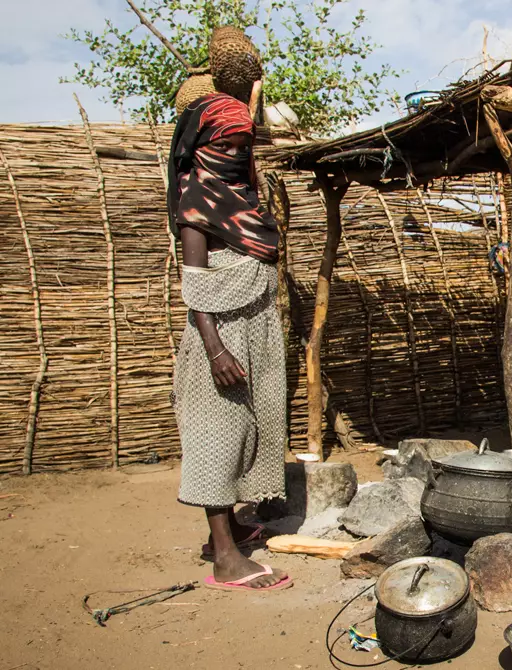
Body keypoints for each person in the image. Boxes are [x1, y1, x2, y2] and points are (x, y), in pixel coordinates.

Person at [168, 90, 291, 592]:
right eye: (227, 144)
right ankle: (224, 557)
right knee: (217, 434)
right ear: (202, 144)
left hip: (256, 327)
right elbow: (194, 283)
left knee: (251, 428)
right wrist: (216, 348)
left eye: (244, 145)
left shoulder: (241, 195)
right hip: (218, 333)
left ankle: (231, 528)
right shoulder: (197, 196)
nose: (237, 154)